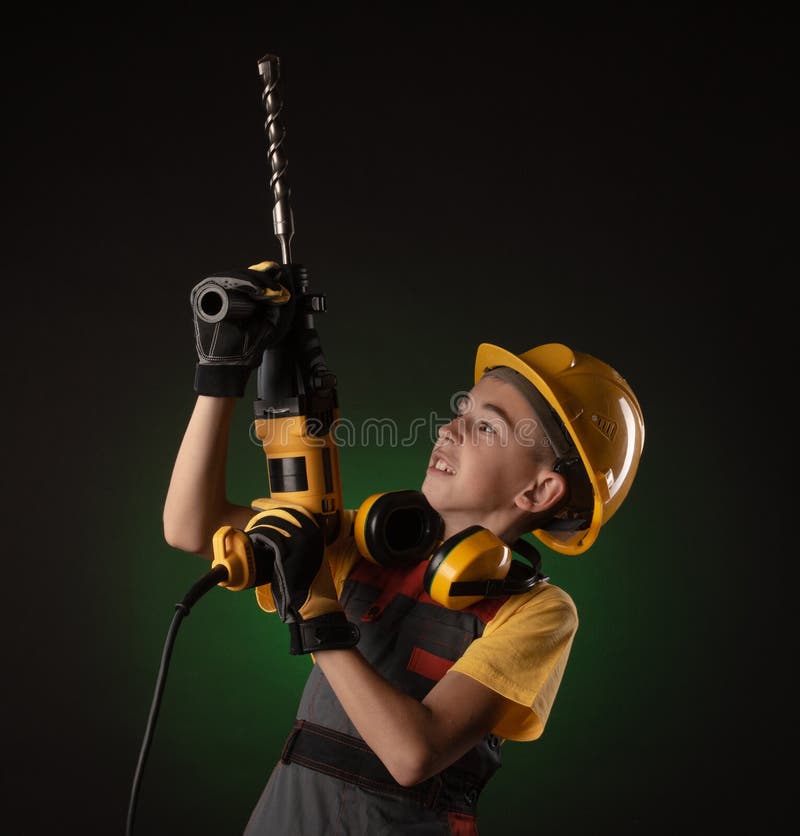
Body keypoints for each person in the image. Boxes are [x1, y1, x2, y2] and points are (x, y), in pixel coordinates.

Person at [163, 264, 645, 834]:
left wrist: (317, 610)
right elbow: (190, 527)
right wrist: (221, 376)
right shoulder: (363, 545)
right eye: (460, 412)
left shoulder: (537, 612)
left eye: (486, 428)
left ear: (538, 492)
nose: (448, 430)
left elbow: (413, 754)